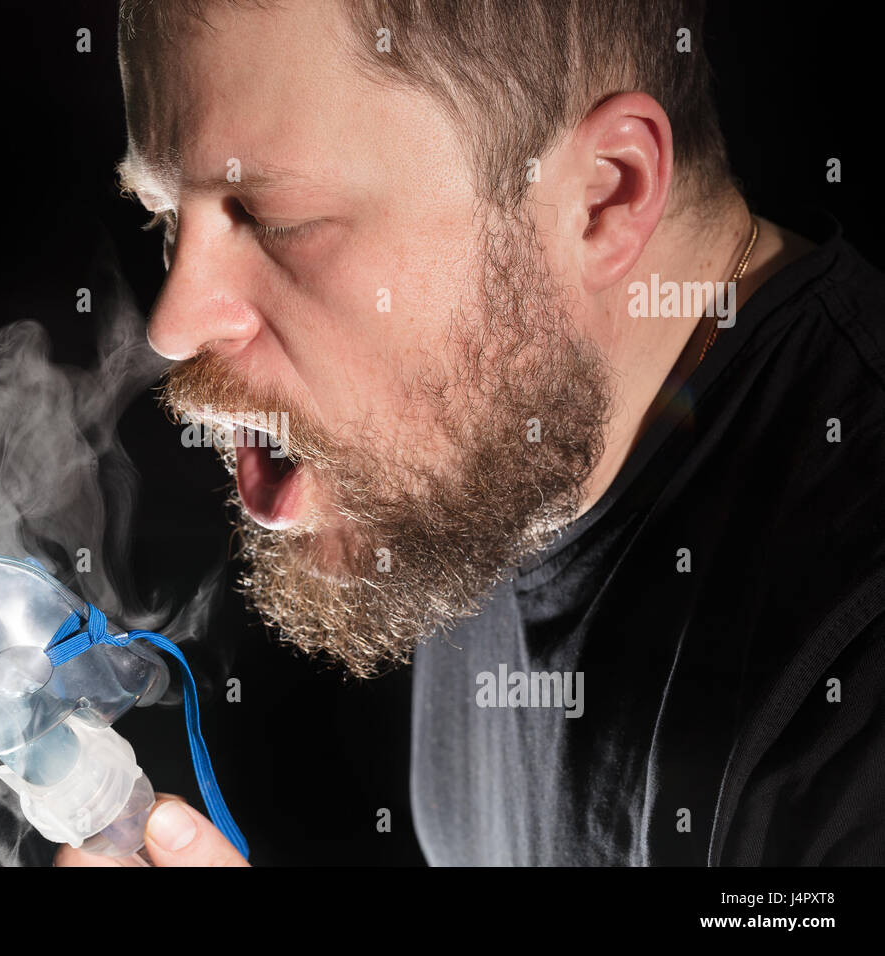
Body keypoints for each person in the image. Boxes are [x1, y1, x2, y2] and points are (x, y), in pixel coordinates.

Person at [56, 0, 885, 866]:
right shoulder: (489, 449)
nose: (172, 327)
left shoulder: (858, 669)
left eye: (276, 219)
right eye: (165, 222)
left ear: (604, 195)